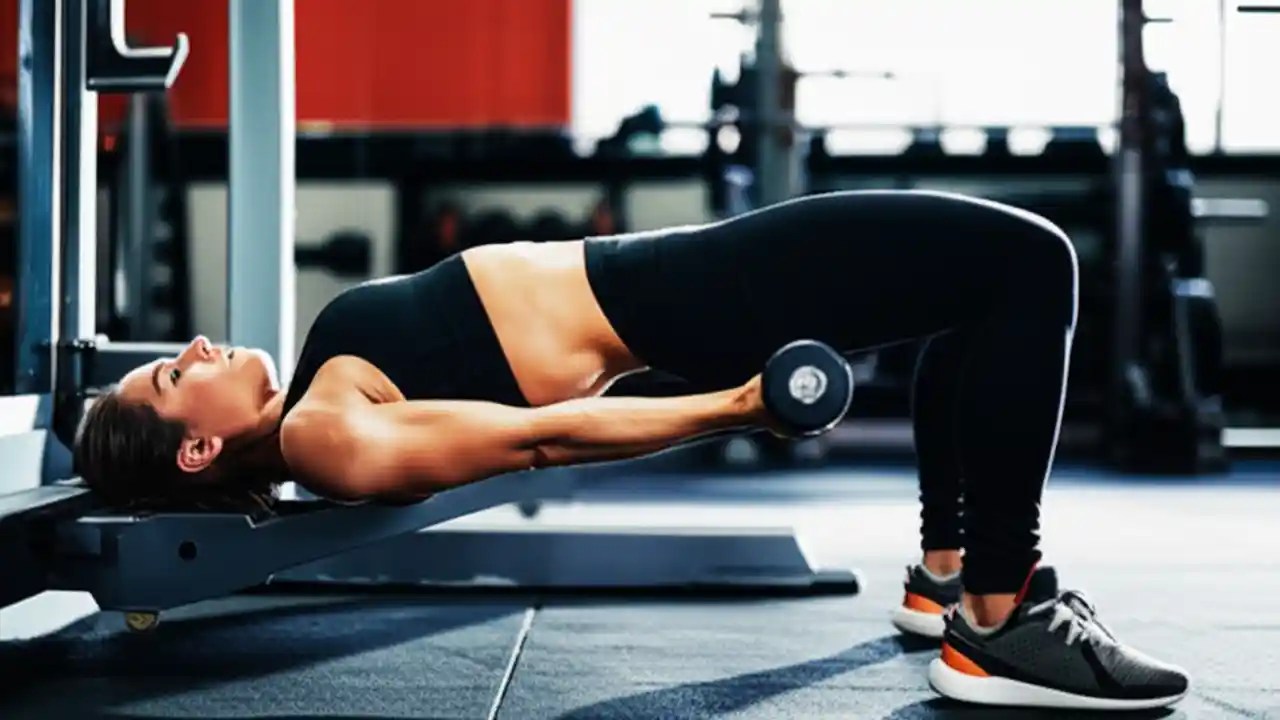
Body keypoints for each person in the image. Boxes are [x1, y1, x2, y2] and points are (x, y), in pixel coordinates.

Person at [73, 189, 1187, 711]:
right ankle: (999, 617)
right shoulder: (323, 434)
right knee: (1030, 262)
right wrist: (741, 405)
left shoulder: (325, 374)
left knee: (976, 293)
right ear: (196, 450)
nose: (198, 343)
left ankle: (950, 577)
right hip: (688, 300)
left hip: (677, 274)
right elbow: (540, 440)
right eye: (175, 373)